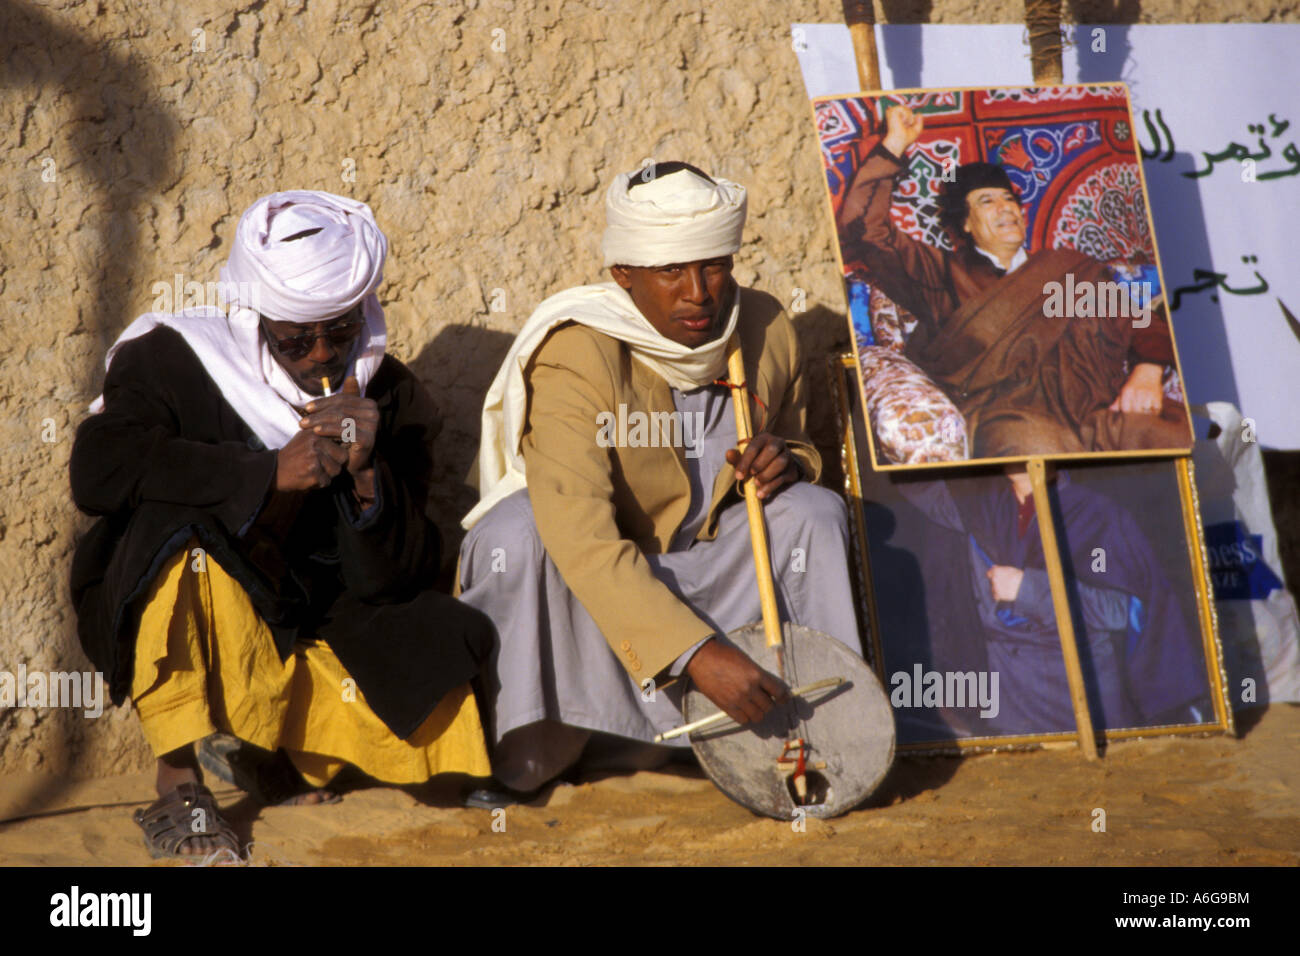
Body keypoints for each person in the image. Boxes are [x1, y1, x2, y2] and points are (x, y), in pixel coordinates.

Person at [69, 191, 493, 859]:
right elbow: (98, 469)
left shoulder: (389, 395)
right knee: (184, 545)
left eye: (340, 332)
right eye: (296, 338)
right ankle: (178, 782)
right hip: (196, 594)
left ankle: (268, 754)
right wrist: (264, 474)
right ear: (255, 316)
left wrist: (365, 476)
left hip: (308, 615)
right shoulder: (177, 361)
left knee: (445, 692)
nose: (321, 355)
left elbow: (394, 577)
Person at [457, 162, 862, 795]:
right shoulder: (578, 352)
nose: (699, 292)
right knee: (515, 534)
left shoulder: (764, 327)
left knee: (813, 511)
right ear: (624, 275)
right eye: (671, 270)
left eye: (714, 266)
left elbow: (799, 443)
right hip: (610, 570)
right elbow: (581, 533)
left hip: (715, 561)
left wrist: (788, 458)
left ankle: (822, 735)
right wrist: (696, 653)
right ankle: (540, 754)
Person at [836, 104, 1191, 459]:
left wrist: (1147, 371)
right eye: (986, 201)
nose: (1005, 208)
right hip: (1008, 423)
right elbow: (862, 231)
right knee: (1043, 455)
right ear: (965, 224)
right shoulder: (940, 273)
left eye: (1009, 199)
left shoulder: (1068, 269)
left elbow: (1142, 321)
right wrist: (895, 141)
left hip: (1097, 417)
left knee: (1174, 437)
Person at [899, 466, 1213, 736]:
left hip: (1078, 706)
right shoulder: (982, 505)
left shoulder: (1096, 514)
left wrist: (1027, 589)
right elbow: (915, 482)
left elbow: (1117, 611)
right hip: (1011, 711)